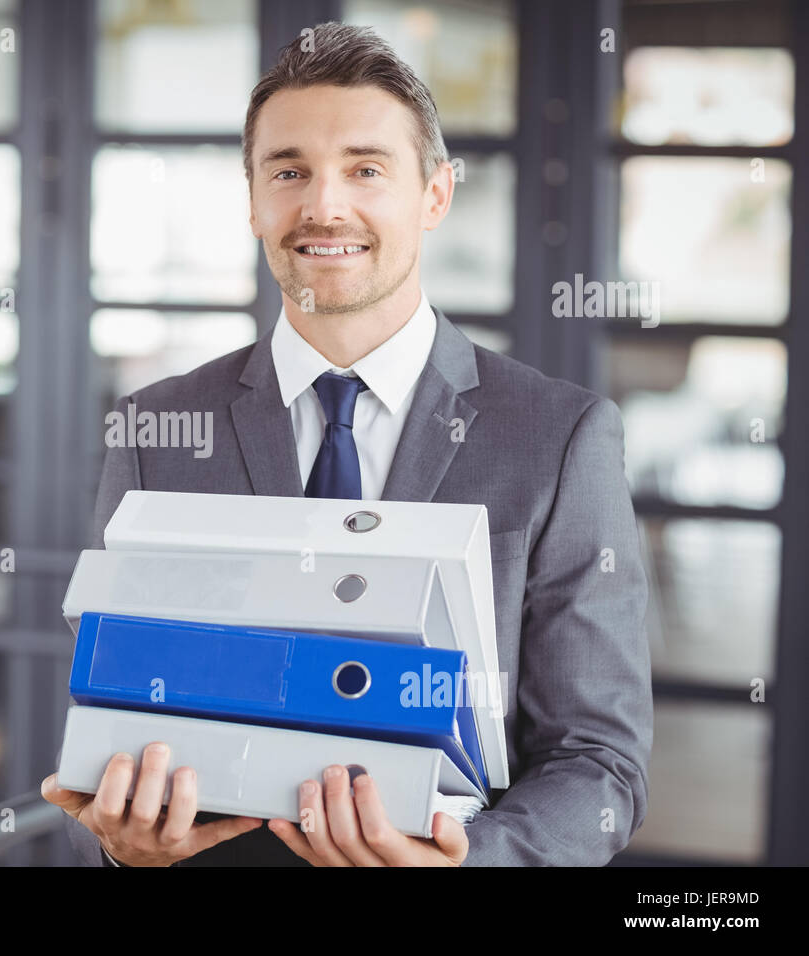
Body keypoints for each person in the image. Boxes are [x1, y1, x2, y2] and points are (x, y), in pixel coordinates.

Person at [41, 22, 652, 867]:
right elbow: (114, 712)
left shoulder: (559, 436)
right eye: (289, 171)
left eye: (367, 169)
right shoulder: (156, 429)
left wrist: (473, 864)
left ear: (435, 194)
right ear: (252, 198)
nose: (324, 206)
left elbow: (602, 764)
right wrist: (123, 850)